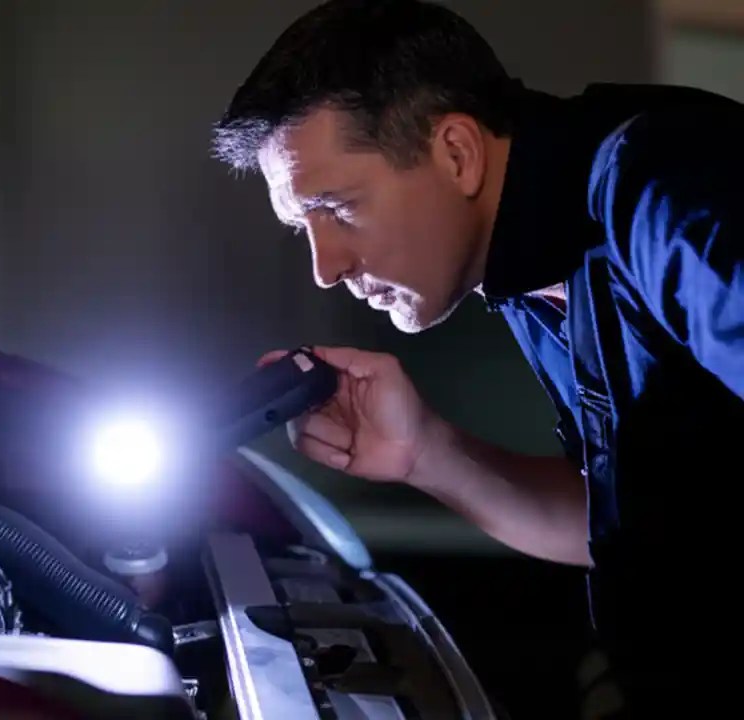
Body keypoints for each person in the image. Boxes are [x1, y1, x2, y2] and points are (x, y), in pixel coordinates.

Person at [211, 0, 743, 716]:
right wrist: (423, 452)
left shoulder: (665, 188)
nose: (324, 267)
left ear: (457, 153)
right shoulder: (529, 267)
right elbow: (647, 529)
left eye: (337, 209)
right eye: (300, 227)